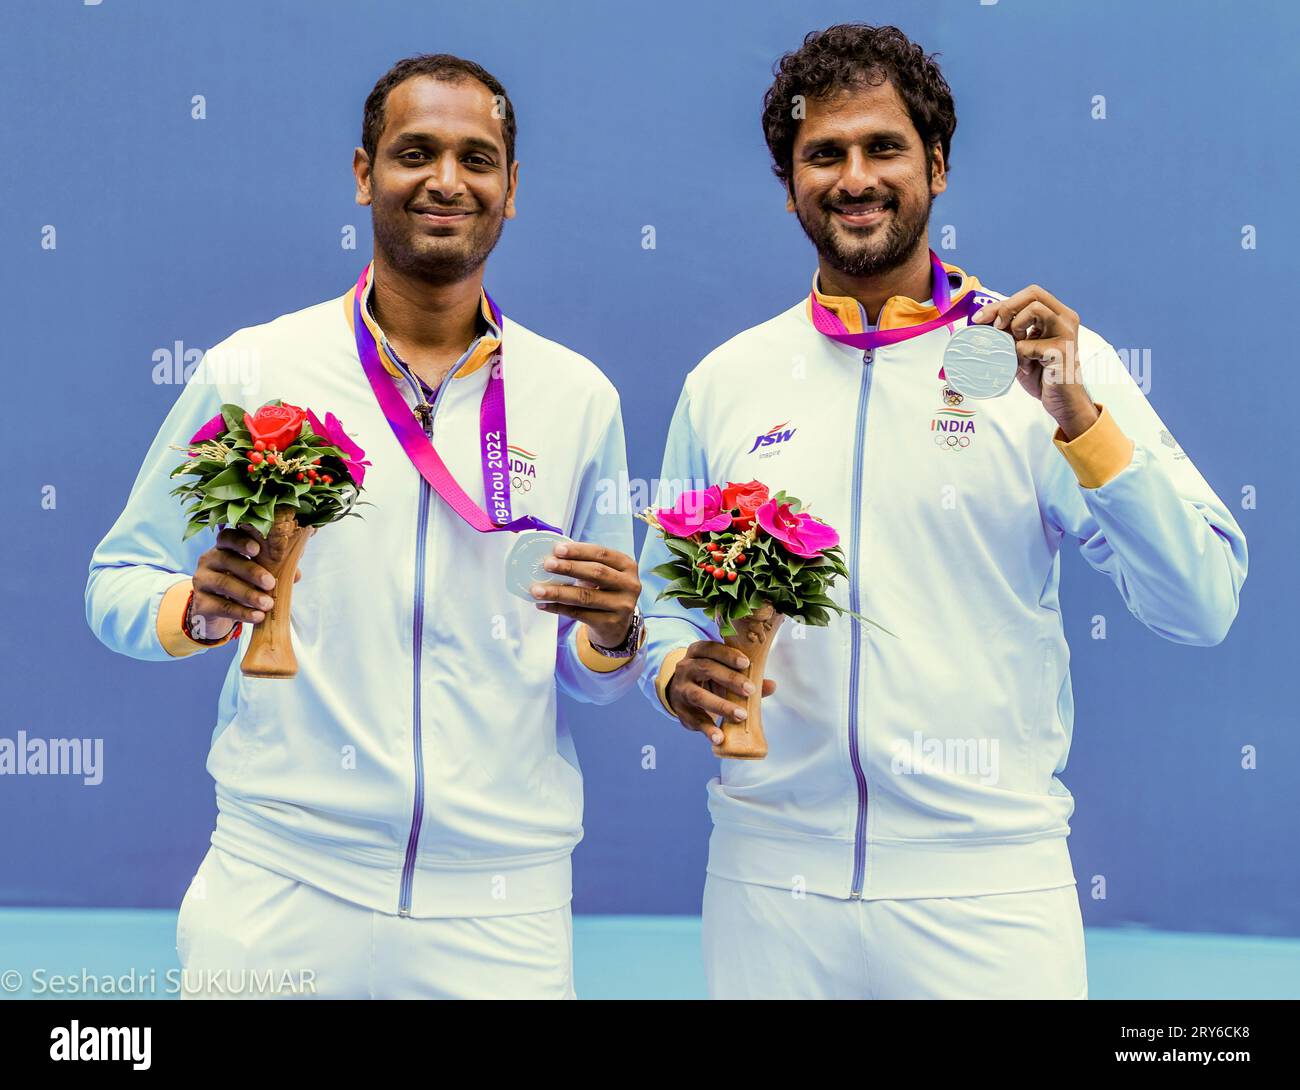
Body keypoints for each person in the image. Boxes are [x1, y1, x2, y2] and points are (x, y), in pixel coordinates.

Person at [634, 23, 1247, 999]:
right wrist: (669, 668)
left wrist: (1077, 418)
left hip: (988, 893)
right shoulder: (727, 382)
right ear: (788, 182)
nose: (853, 177)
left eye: (883, 147)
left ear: (938, 165)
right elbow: (665, 606)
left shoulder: (1039, 363)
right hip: (768, 889)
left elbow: (1202, 598)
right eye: (821, 154)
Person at [85, 53, 646, 999]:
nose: (445, 180)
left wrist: (610, 636)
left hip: (501, 902)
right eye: (413, 152)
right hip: (282, 877)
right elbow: (117, 581)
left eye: (477, 159)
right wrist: (197, 610)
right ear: (362, 174)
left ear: (510, 190)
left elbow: (585, 675)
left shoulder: (579, 396)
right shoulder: (255, 368)